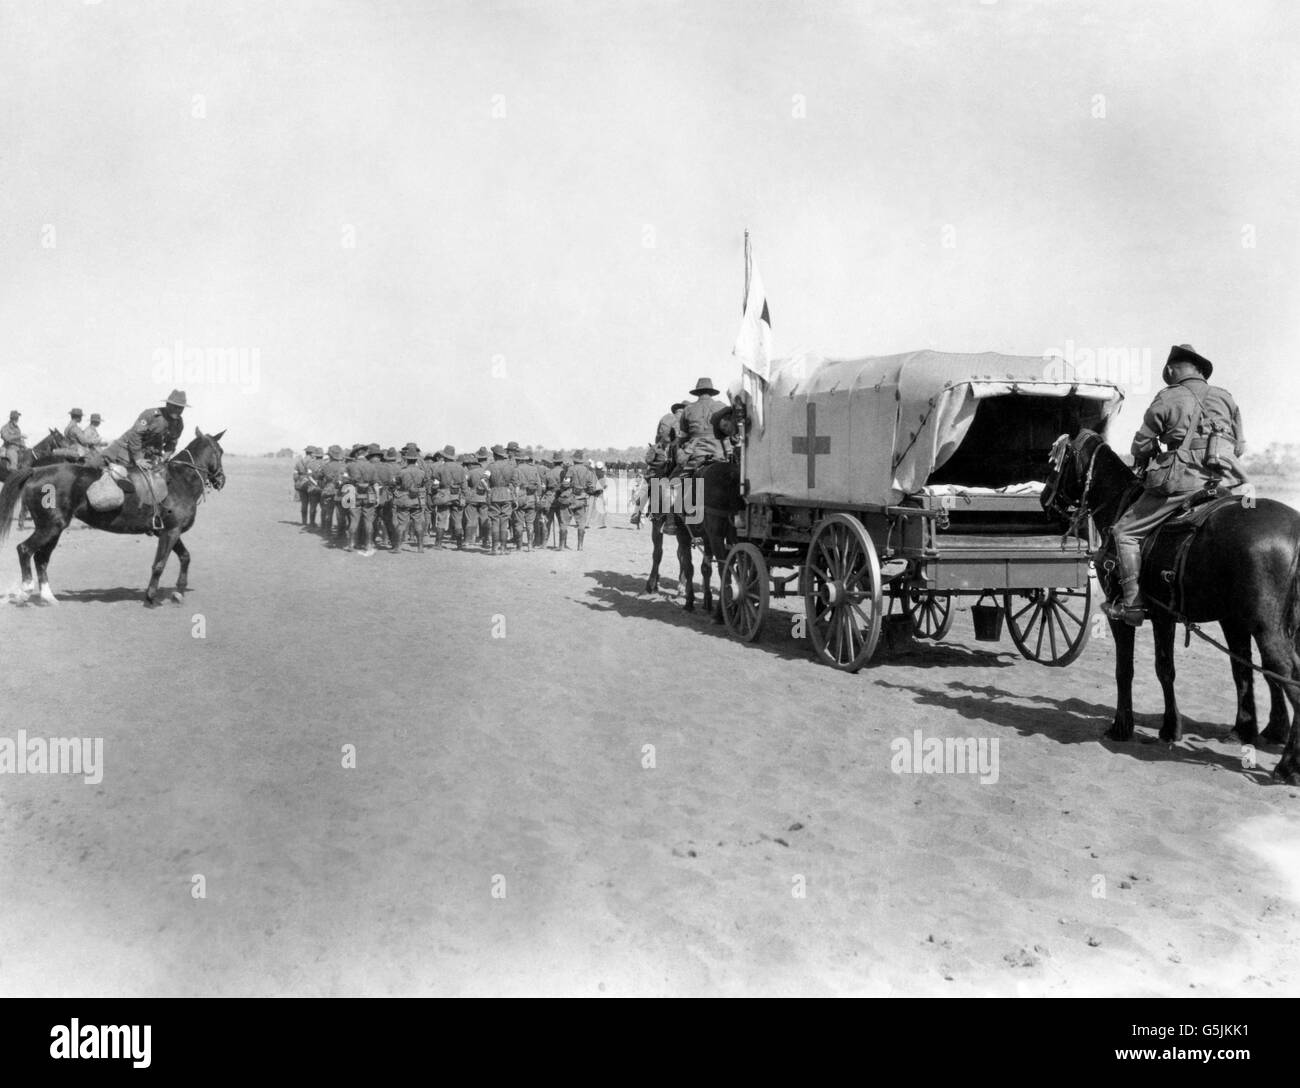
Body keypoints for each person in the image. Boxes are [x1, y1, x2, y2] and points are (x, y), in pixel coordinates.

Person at [1104, 344, 1246, 625]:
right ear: (1200, 371)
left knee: (1124, 532)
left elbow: (1141, 446)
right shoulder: (1225, 397)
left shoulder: (1167, 397)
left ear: (1171, 370)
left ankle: (1132, 605)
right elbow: (1239, 447)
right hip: (1226, 482)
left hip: (1184, 482)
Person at [103, 389, 188, 501]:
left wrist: (163, 459)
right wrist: (138, 458)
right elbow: (135, 435)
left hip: (149, 455)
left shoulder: (178, 423)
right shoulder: (151, 415)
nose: (177, 410)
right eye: (174, 406)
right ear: (167, 404)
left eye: (180, 408)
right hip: (127, 449)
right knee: (96, 467)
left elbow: (171, 444)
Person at [679, 378, 727, 467]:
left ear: (697, 392)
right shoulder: (722, 407)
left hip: (696, 455)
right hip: (719, 453)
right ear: (711, 392)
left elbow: (683, 438)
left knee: (676, 478)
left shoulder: (688, 409)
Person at [392, 443, 427, 553]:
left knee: (402, 523)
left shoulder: (401, 472)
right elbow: (425, 484)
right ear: (416, 459)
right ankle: (420, 547)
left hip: (403, 499)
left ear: (406, 459)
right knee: (418, 524)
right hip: (417, 500)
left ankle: (398, 547)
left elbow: (397, 483)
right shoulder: (421, 472)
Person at [566, 449, 603, 551]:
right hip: (582, 499)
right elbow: (591, 487)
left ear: (574, 460)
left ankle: (562, 545)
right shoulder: (588, 471)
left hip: (571, 498)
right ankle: (580, 546)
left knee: (564, 522)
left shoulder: (570, 469)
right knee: (581, 524)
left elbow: (565, 483)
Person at [430, 445, 463, 549]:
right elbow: (465, 485)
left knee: (441, 519)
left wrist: (434, 493)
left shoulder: (440, 468)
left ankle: (438, 543)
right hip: (457, 495)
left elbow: (435, 484)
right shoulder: (460, 468)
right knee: (458, 520)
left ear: (444, 456)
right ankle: (459, 544)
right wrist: (464, 496)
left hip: (443, 495)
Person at [486, 444, 516, 555]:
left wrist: (488, 490)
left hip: (494, 495)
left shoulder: (490, 466)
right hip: (507, 495)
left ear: (495, 455)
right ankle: (503, 548)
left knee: (494, 521)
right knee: (504, 521)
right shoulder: (510, 466)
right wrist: (514, 496)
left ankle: (494, 548)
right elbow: (515, 483)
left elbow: (483, 481)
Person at [512, 449, 542, 552]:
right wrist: (538, 498)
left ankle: (519, 547)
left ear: (518, 459)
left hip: (520, 498)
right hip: (532, 498)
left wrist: (515, 499)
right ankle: (529, 546)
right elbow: (539, 485)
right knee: (530, 523)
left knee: (519, 523)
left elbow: (515, 486)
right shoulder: (534, 469)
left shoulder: (516, 469)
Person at [317, 445, 348, 541]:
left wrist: (324, 486)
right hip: (341, 492)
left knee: (328, 513)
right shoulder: (344, 466)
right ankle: (341, 534)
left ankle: (327, 533)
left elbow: (319, 478)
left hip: (328, 491)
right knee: (341, 515)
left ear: (330, 455)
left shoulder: (325, 466)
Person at [464, 450, 491, 550]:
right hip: (484, 499)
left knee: (471, 520)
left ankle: (469, 540)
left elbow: (464, 484)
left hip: (472, 498)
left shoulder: (470, 472)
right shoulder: (485, 472)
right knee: (484, 520)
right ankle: (486, 540)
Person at [293, 445, 315, 522]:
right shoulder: (313, 462)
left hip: (301, 483)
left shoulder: (299, 462)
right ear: (311, 453)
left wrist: (297, 483)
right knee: (313, 504)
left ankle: (304, 521)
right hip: (311, 483)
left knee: (304, 503)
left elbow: (295, 475)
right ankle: (312, 522)